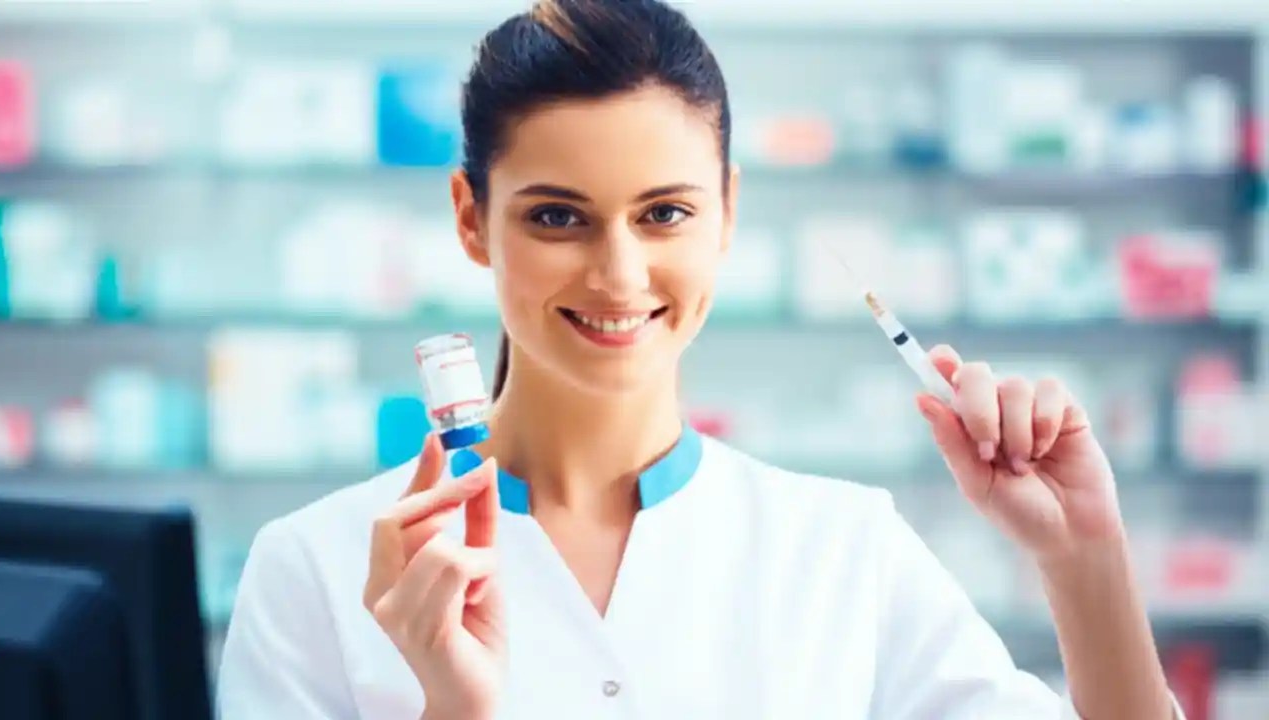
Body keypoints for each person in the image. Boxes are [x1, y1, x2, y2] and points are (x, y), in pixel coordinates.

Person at [217, 1, 1185, 718]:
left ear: (725, 211)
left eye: (664, 213)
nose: (617, 272)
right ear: (471, 219)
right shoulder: (319, 567)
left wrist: (1082, 556)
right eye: (557, 216)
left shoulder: (841, 547)